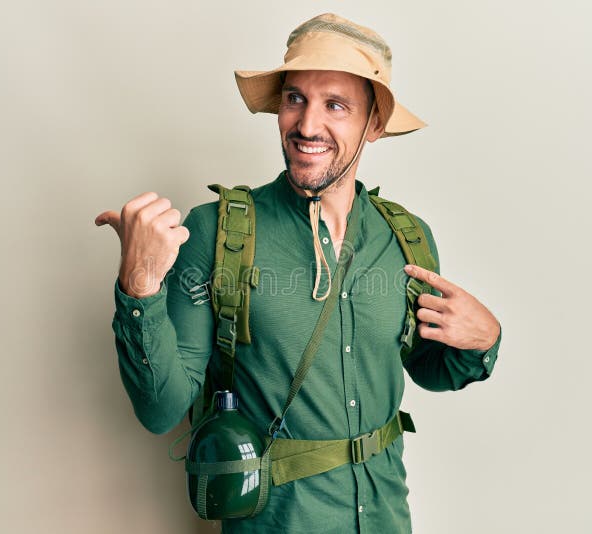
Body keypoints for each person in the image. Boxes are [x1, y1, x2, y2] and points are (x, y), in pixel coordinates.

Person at [95, 13, 501, 533]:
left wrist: (484, 340)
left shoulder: (407, 239)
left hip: (386, 519)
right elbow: (160, 409)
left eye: (335, 105)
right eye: (295, 99)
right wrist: (139, 288)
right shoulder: (216, 232)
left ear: (373, 124)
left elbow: (428, 368)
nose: (307, 126)